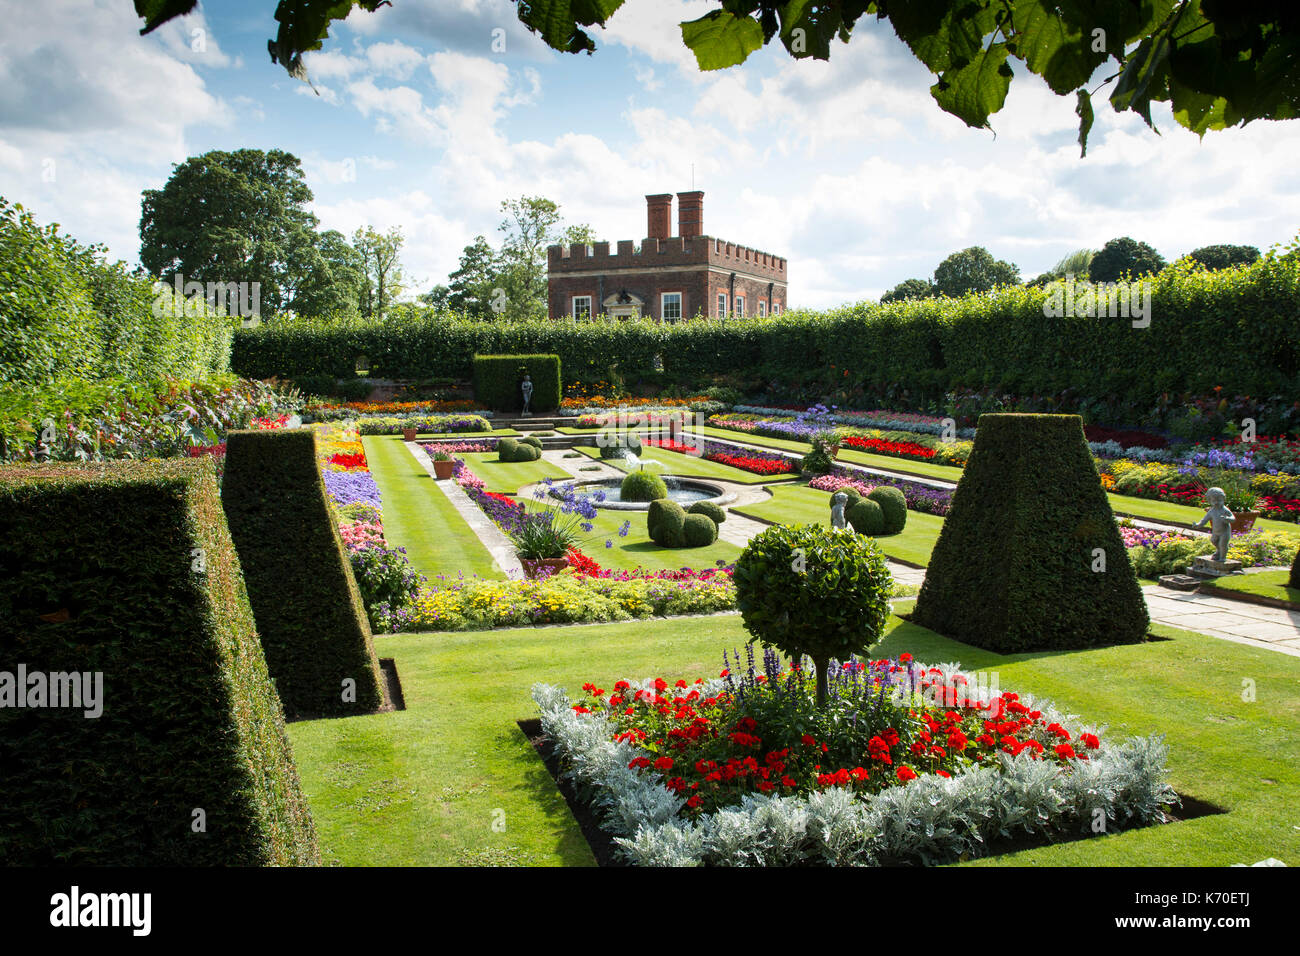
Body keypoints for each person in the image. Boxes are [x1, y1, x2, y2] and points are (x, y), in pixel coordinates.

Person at [1193, 486, 1234, 562]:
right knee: (1214, 541)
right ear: (1210, 501)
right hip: (1216, 532)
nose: (1216, 503)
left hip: (1224, 532)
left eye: (1219, 500)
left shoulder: (1224, 510)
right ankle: (1219, 551)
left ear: (1223, 499)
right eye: (1214, 501)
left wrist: (1228, 519)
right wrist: (1198, 525)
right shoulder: (1211, 511)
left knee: (1223, 544)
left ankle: (1222, 558)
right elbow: (1204, 520)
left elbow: (1233, 518)